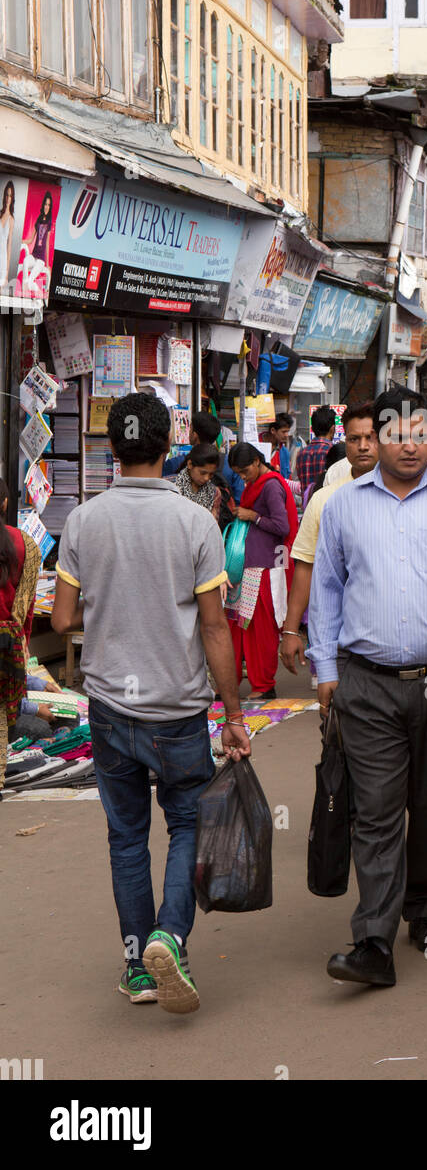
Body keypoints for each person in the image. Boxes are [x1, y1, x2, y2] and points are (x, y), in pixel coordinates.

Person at [51, 392, 248, 1014]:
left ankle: (137, 964)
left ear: (113, 448)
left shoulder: (83, 519)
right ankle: (171, 933)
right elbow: (215, 628)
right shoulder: (196, 522)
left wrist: (110, 602)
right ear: (171, 450)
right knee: (187, 822)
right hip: (178, 710)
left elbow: (60, 619)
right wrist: (235, 714)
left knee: (126, 836)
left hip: (111, 708)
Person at [307, 389, 427, 988]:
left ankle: (426, 908)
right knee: (377, 812)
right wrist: (326, 671)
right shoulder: (342, 507)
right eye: (395, 432)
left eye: (420, 431)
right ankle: (373, 942)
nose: (409, 443)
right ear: (370, 439)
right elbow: (328, 591)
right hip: (366, 682)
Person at [280, 404, 378, 676]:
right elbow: (305, 566)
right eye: (354, 439)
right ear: (343, 440)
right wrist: (290, 630)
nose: (363, 446)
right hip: (341, 637)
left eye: (370, 438)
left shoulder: (408, 496)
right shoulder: (325, 499)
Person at [226, 442, 298, 700]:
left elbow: (283, 526)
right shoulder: (262, 483)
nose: (243, 477)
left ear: (258, 462)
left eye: (245, 471)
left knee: (261, 629)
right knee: (245, 625)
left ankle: (264, 684)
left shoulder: (270, 486)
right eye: (238, 473)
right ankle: (256, 682)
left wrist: (251, 516)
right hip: (254, 564)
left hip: (266, 566)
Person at [0, 478, 41, 791]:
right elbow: (24, 609)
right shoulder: (25, 544)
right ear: (4, 504)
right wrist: (21, 649)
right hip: (7, 646)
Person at [163, 409, 244, 503]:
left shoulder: (178, 462)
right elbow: (239, 498)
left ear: (194, 435)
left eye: (190, 428)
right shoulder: (229, 463)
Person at [171, 443, 222, 520]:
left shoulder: (214, 493)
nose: (206, 478)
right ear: (190, 464)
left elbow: (213, 525)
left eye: (211, 474)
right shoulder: (170, 486)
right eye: (203, 473)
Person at [295, 405, 336, 490]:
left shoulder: (301, 453)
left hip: (307, 503)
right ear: (332, 429)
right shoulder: (333, 452)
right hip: (327, 502)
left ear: (313, 429)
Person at [0, 180, 15, 286]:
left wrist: (6, 273)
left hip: (3, 259)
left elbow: (9, 246)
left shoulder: (11, 219)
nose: (8, 198)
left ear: (12, 198)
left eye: (10, 195)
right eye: (6, 195)